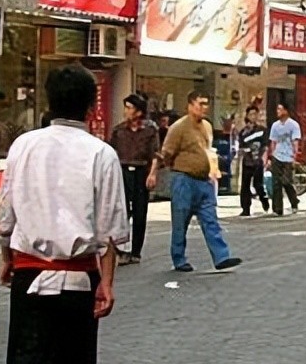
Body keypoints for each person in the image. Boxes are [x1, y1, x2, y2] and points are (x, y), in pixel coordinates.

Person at [0, 64, 129, 364]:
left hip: (29, 271)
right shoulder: (100, 153)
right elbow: (112, 229)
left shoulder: (22, 146)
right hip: (78, 276)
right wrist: (107, 283)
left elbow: (5, 213)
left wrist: (6, 260)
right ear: (92, 106)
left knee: (27, 357)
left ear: (48, 102)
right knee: (77, 356)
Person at [157, 91, 242, 273]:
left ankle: (221, 256)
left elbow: (208, 150)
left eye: (206, 104)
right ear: (190, 105)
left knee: (210, 219)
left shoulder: (207, 126)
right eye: (200, 103)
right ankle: (179, 259)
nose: (204, 107)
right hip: (184, 179)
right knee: (180, 222)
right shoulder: (178, 127)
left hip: (204, 181)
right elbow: (166, 154)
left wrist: (213, 169)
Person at [107, 93, 160, 265]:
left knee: (140, 212)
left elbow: (155, 154)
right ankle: (116, 248)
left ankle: (136, 251)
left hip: (140, 171)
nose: (126, 111)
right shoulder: (119, 130)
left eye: (130, 108)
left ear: (139, 112)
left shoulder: (150, 130)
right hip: (122, 170)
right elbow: (110, 153)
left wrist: (152, 174)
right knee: (121, 211)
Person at [267, 101, 302, 216]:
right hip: (277, 155)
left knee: (286, 182)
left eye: (280, 109)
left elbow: (295, 141)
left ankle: (294, 202)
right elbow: (273, 141)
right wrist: (271, 156)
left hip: (288, 156)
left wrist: (295, 155)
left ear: (286, 111)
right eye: (277, 109)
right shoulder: (275, 125)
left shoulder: (293, 125)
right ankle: (277, 209)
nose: (278, 112)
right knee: (276, 183)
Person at [236, 106, 270, 217]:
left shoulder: (262, 130)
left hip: (258, 161)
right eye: (251, 114)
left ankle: (264, 200)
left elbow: (265, 146)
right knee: (245, 186)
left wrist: (264, 159)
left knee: (258, 185)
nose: (253, 117)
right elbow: (240, 147)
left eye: (255, 114)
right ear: (247, 116)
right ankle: (245, 209)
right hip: (247, 161)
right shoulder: (243, 132)